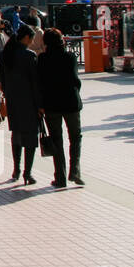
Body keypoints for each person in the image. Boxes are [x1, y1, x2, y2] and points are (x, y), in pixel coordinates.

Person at [37, 28, 82, 188]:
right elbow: (76, 81)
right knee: (75, 137)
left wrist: (41, 104)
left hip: (51, 105)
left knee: (57, 139)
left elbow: (40, 83)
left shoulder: (42, 59)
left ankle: (60, 177)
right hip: (71, 102)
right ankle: (75, 170)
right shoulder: (70, 57)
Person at [0, 25, 40, 184]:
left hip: (12, 101)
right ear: (26, 38)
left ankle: (16, 169)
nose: (31, 42)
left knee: (16, 135)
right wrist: (40, 105)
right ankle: (27, 173)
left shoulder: (5, 54)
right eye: (31, 39)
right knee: (30, 137)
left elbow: (2, 78)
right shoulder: (29, 56)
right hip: (29, 102)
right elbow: (35, 82)